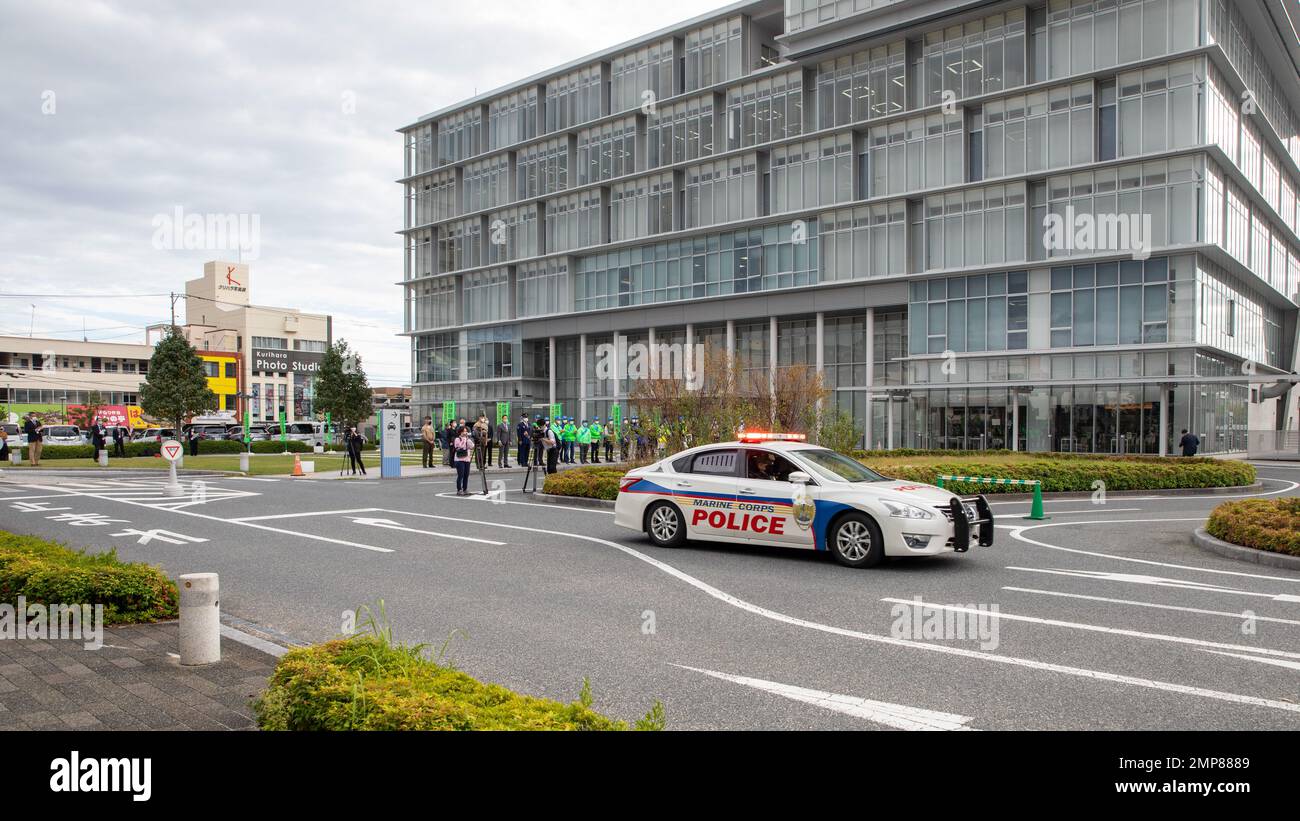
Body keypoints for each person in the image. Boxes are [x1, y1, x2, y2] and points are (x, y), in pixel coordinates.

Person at [452, 426, 474, 495]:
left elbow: (472, 446)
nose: (465, 432)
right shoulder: (457, 439)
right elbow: (459, 447)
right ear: (460, 432)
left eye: (466, 431)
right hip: (459, 459)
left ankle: (465, 489)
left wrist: (468, 439)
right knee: (460, 475)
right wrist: (464, 440)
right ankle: (459, 489)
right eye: (464, 431)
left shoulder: (467, 439)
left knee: (466, 475)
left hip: (467, 459)